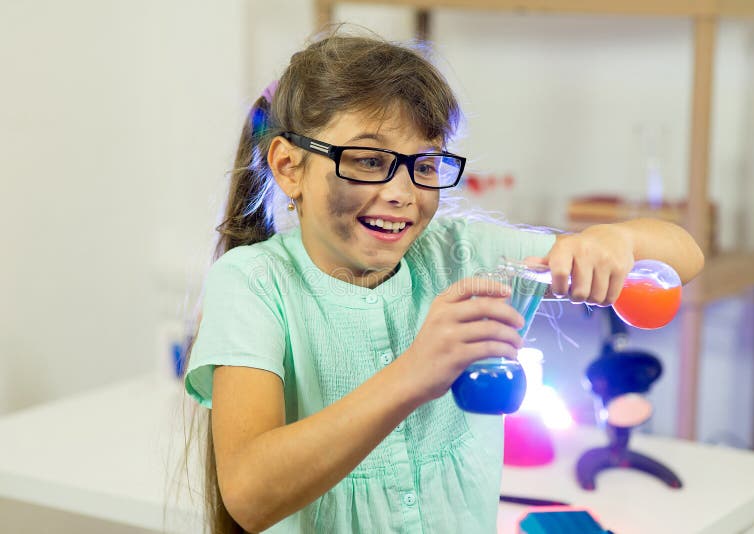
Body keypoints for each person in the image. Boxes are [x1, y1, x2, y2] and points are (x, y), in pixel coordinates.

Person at [182, 30, 704, 534]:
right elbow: (249, 495)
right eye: (368, 161)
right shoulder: (254, 284)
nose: (402, 193)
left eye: (425, 165)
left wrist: (618, 241)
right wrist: (415, 373)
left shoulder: (462, 254)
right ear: (289, 167)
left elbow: (685, 257)